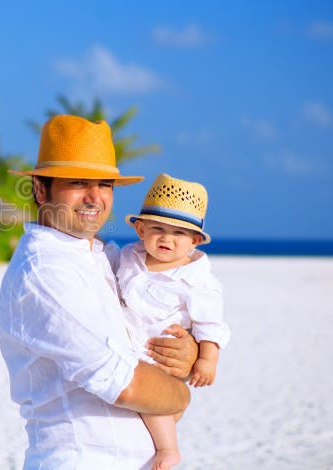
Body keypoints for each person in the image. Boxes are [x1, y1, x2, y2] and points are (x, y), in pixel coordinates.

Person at [0, 115, 198, 469]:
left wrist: (186, 351)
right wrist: (180, 396)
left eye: (105, 184)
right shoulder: (46, 269)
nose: (95, 197)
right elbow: (123, 384)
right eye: (78, 182)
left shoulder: (99, 255)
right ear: (40, 190)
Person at [119, 173, 231, 470]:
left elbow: (210, 325)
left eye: (179, 233)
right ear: (140, 230)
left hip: (159, 354)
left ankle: (169, 449)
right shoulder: (128, 256)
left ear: (194, 241)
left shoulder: (196, 281)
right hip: (129, 343)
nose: (167, 238)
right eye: (157, 228)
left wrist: (207, 360)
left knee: (153, 404)